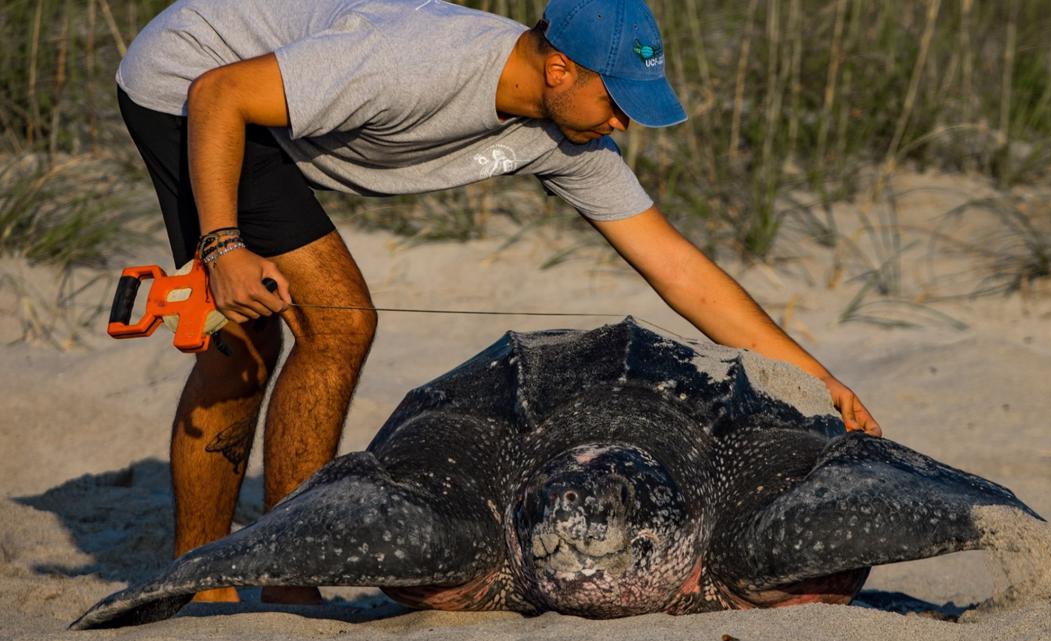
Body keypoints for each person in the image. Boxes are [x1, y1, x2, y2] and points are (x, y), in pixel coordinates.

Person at [115, 0, 881, 605]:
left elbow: (679, 269)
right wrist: (220, 249)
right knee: (324, 320)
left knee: (283, 328)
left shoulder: (565, 137)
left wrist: (818, 379)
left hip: (265, 114)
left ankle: (248, 569)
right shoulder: (421, 64)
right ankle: (266, 572)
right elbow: (221, 92)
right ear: (559, 68)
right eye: (618, 100)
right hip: (192, 78)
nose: (622, 122)